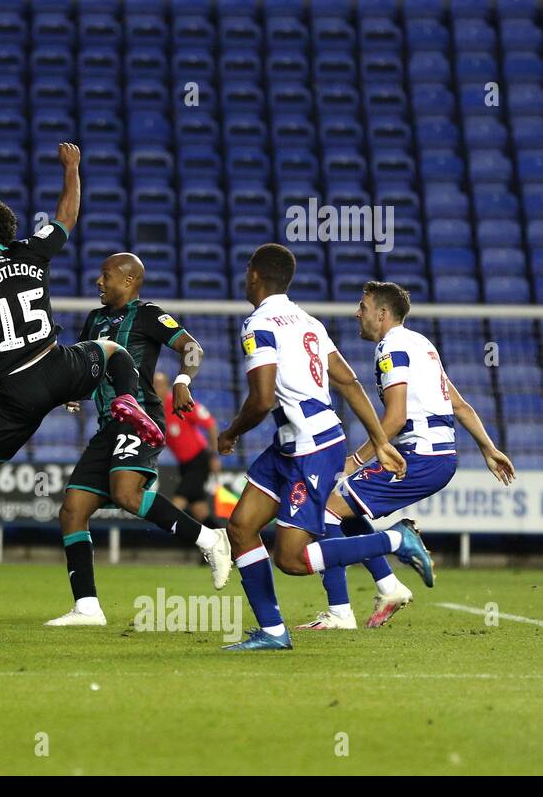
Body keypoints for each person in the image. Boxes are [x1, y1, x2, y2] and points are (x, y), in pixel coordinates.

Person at [0, 143, 160, 583]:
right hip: (57, 364)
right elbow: (67, 216)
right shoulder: (31, 251)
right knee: (114, 351)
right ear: (9, 229)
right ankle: (128, 401)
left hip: (17, 392)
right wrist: (72, 168)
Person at [217, 243, 433, 652]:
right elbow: (348, 381)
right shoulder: (307, 321)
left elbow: (261, 400)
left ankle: (395, 540)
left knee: (292, 560)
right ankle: (274, 632)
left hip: (309, 449)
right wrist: (381, 441)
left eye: (247, 270)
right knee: (242, 527)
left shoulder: (258, 324)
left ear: (255, 276)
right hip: (292, 446)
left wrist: (231, 433)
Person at [296, 280, 516, 630]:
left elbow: (395, 419)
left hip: (420, 456)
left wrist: (356, 459)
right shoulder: (422, 344)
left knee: (325, 509)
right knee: (347, 510)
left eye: (363, 308)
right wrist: (488, 448)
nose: (357, 313)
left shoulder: (392, 348)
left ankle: (341, 611)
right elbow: (459, 404)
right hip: (438, 456)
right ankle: (389, 586)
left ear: (382, 314)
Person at [46, 253, 232, 627]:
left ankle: (211, 540)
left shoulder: (147, 314)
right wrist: (69, 389)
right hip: (107, 426)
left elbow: (191, 348)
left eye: (106, 275)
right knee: (72, 511)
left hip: (140, 419)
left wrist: (182, 381)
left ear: (129, 281)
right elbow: (86, 367)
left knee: (126, 493)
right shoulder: (94, 320)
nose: (99, 282)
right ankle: (87, 607)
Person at [153, 370, 222, 527]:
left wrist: (213, 456)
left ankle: (156, 540)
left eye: (159, 385)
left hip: (199, 461)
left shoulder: (179, 403)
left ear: (167, 387)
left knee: (176, 505)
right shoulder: (155, 412)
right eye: (154, 385)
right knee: (200, 512)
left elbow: (210, 424)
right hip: (185, 465)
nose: (156, 389)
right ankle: (225, 542)